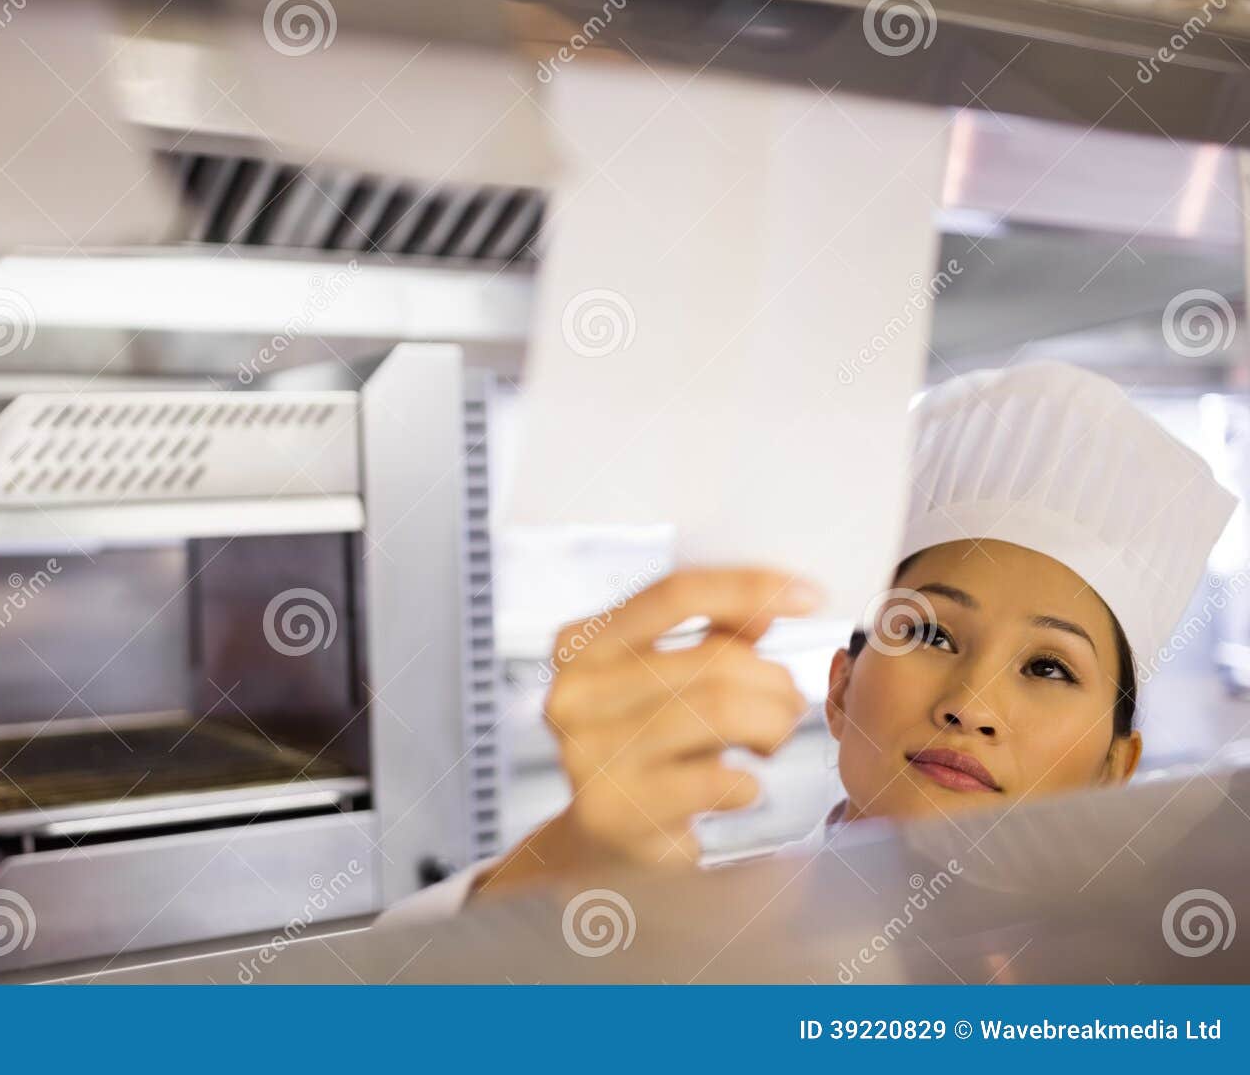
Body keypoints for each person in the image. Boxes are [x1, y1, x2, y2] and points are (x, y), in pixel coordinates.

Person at [381, 361, 1237, 922]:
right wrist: (577, 862)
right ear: (838, 687)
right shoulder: (693, 946)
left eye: (1049, 666)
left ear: (1116, 769)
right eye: (930, 630)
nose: (971, 704)